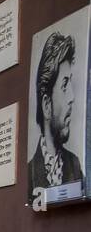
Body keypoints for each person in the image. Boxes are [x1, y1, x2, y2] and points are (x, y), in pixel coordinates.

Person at [28, 31, 84, 203]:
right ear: (46, 105)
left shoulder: (75, 165)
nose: (72, 97)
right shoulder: (29, 174)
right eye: (65, 85)